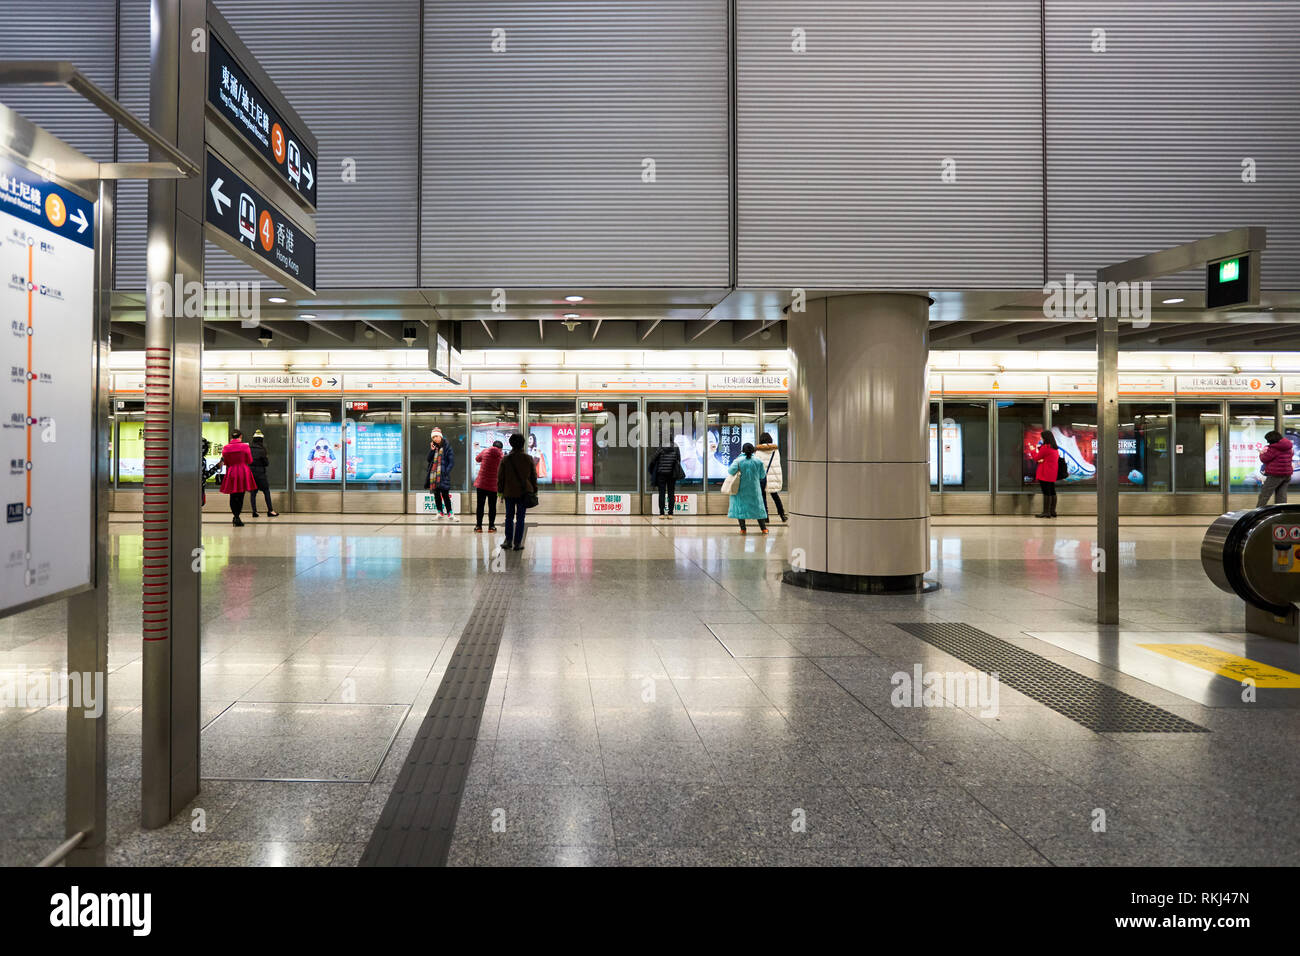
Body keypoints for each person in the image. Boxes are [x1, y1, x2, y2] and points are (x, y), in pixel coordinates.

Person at [497, 432, 538, 551]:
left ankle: (508, 541)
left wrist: (500, 492)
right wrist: (535, 490)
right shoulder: (528, 458)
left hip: (509, 492)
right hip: (524, 492)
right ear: (523, 444)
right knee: (521, 518)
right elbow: (533, 477)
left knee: (509, 517)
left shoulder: (506, 459)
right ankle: (518, 543)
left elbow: (501, 477)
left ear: (511, 444)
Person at [726, 442, 769, 534]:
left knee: (740, 508)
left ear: (742, 450)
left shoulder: (738, 460)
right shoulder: (758, 461)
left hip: (740, 489)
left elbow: (730, 471)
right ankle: (764, 529)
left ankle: (743, 529)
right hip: (754, 489)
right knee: (758, 508)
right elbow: (762, 476)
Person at [220, 429, 257, 527]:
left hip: (231, 472)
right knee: (241, 495)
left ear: (231, 437)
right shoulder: (245, 446)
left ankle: (235, 516)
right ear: (240, 437)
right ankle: (237, 516)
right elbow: (249, 460)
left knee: (233, 495)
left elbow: (226, 462)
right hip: (243, 472)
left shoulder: (226, 448)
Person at [647, 436, 684, 519]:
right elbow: (679, 459)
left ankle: (662, 514)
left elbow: (653, 459)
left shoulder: (661, 447)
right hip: (672, 474)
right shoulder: (675, 446)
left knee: (662, 493)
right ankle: (670, 513)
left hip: (661, 474)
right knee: (671, 493)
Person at [754, 433, 786, 522]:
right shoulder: (775, 451)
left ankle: (766, 517)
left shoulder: (758, 451)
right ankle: (782, 515)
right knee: (775, 496)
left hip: (763, 477)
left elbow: (757, 465)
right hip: (773, 476)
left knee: (763, 496)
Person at [426, 427, 457, 520]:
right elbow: (428, 460)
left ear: (440, 436)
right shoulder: (434, 447)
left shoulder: (447, 447)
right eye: (433, 437)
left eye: (437, 436)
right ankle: (439, 512)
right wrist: (431, 450)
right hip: (434, 475)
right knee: (436, 495)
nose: (435, 438)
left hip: (443, 475)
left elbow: (451, 462)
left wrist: (446, 472)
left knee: (445, 495)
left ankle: (450, 513)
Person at [1257, 430, 1294, 506]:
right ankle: (1281, 513)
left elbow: (1264, 459)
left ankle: (1257, 513)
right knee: (1281, 496)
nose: (1267, 442)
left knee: (1264, 495)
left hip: (1275, 475)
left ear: (1271, 440)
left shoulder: (1273, 448)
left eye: (1267, 440)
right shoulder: (1288, 446)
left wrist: (1261, 453)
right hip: (1287, 475)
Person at [474, 439, 504, 532]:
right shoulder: (502, 456)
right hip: (493, 485)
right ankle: (491, 526)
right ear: (501, 449)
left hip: (481, 484)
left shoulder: (485, 451)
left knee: (480, 505)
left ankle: (478, 526)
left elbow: (477, 459)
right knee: (492, 506)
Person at [248, 430, 278, 518]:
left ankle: (254, 512)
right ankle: (270, 510)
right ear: (261, 440)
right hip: (260, 473)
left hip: (251, 473)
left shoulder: (249, 448)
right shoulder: (262, 450)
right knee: (266, 491)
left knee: (253, 493)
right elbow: (266, 463)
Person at [1031, 430, 1060, 519]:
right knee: (1052, 491)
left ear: (1045, 438)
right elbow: (1047, 457)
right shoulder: (1054, 447)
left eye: (1042, 437)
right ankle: (1052, 511)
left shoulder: (1046, 448)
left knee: (1046, 492)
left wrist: (1033, 450)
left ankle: (1046, 512)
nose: (1041, 438)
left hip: (1045, 472)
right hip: (1052, 472)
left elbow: (1036, 458)